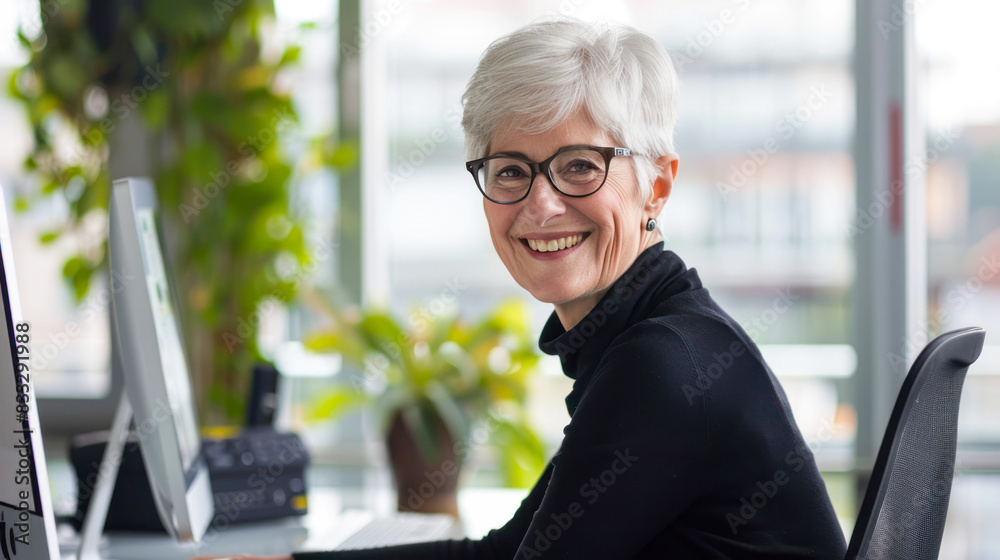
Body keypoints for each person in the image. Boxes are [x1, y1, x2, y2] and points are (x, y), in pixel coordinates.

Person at [210, 17, 847, 560]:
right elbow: (504, 551)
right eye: (511, 170)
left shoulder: (665, 364)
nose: (540, 206)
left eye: (579, 166)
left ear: (657, 185)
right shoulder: (661, 337)